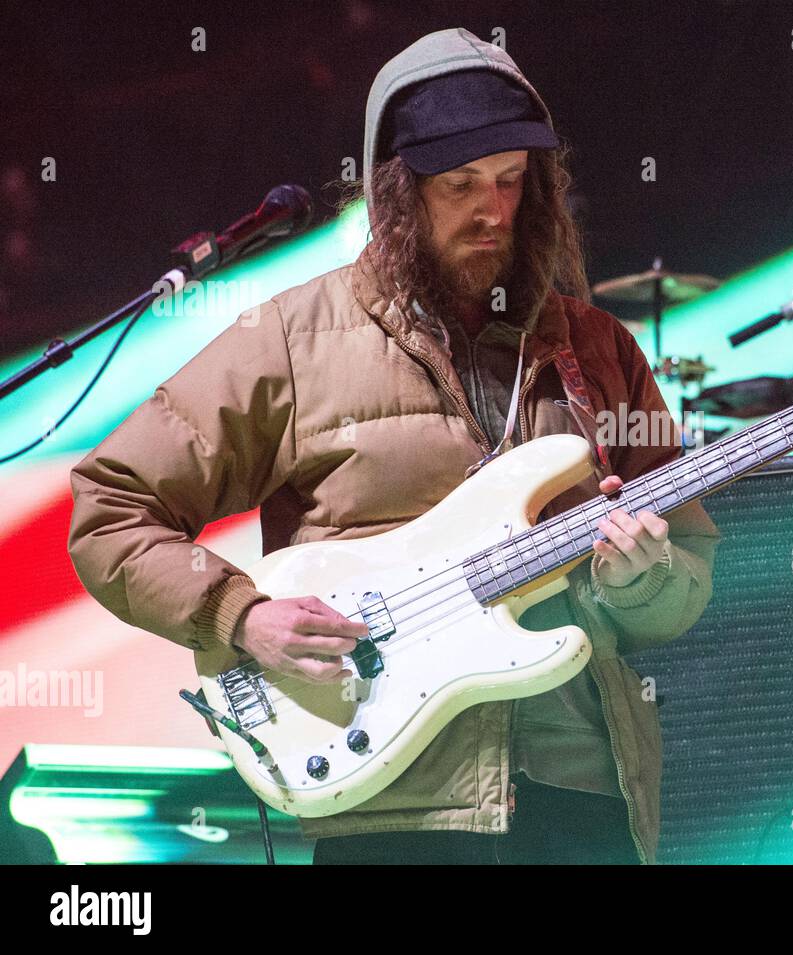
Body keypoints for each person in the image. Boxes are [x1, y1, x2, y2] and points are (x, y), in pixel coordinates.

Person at [66, 27, 721, 865]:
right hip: (391, 804)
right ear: (396, 193)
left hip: (583, 793)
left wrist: (644, 580)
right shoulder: (295, 339)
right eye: (459, 185)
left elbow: (688, 569)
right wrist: (243, 616)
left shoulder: (597, 348)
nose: (493, 210)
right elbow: (111, 505)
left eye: (512, 181)